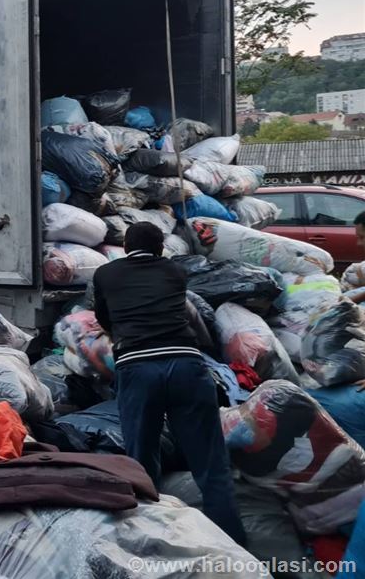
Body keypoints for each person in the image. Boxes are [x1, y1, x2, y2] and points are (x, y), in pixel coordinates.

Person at [93, 221, 246, 546]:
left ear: (125, 247)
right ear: (161, 248)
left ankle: (153, 544)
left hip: (136, 369)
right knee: (209, 464)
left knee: (142, 462)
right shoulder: (175, 271)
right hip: (186, 366)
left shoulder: (106, 274)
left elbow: (105, 320)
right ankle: (235, 548)